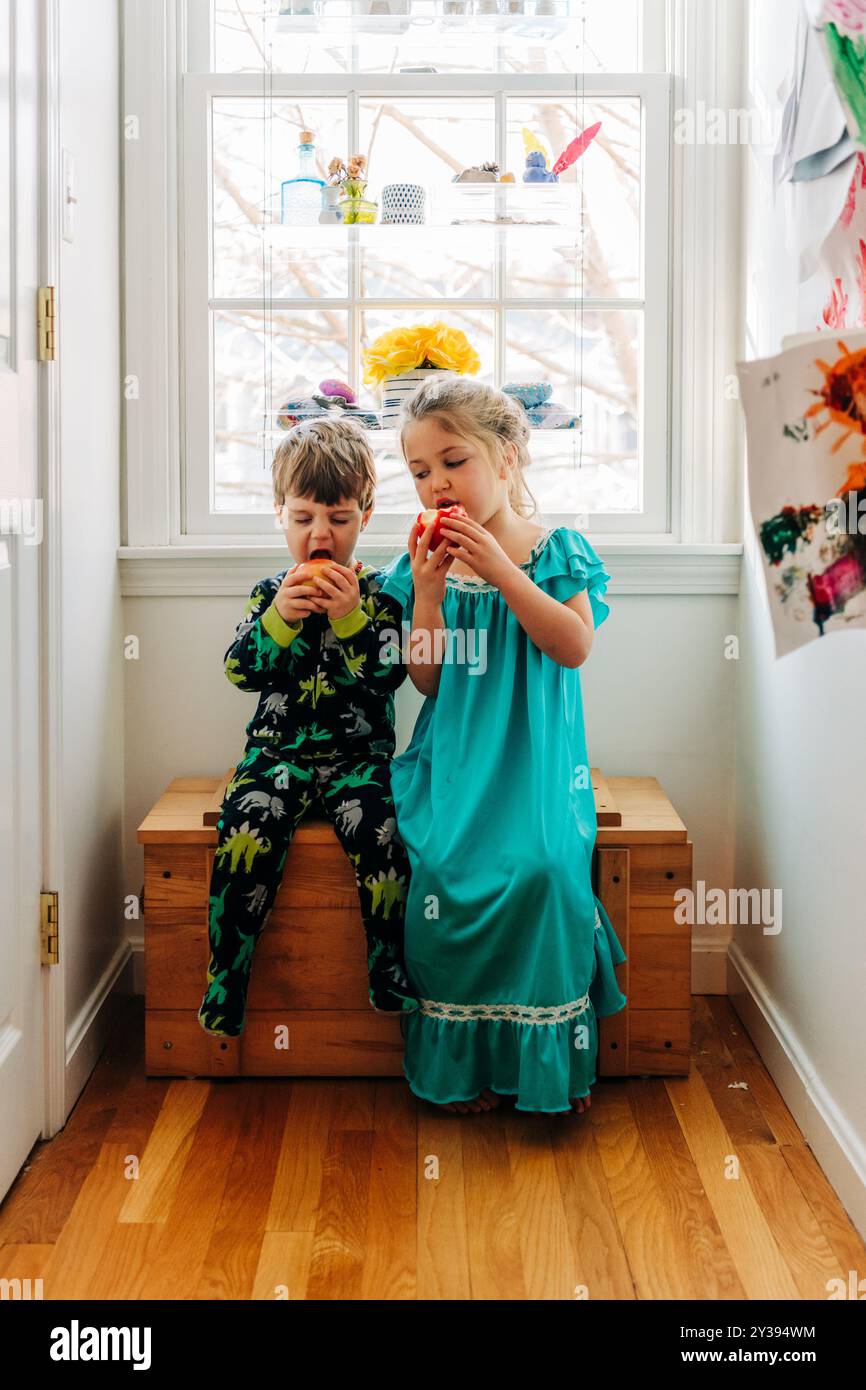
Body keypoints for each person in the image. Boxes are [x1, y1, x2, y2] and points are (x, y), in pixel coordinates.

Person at [378, 374, 627, 1114]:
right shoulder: (424, 557)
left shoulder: (556, 549)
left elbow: (573, 646)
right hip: (456, 763)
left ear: (509, 456)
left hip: (539, 769)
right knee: (445, 877)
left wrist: (499, 569)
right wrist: (428, 591)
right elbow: (428, 681)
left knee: (548, 871)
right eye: (420, 471)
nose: (437, 484)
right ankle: (468, 1059)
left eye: (454, 461)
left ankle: (550, 1062)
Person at [197, 416, 420, 1037]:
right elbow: (240, 670)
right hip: (276, 758)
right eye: (303, 519)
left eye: (339, 519)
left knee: (386, 838)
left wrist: (351, 619)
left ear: (365, 517)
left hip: (359, 762)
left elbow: (387, 677)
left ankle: (387, 965)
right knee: (246, 833)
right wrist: (278, 619)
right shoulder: (270, 592)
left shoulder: (380, 595)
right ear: (280, 514)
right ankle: (227, 975)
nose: (321, 534)